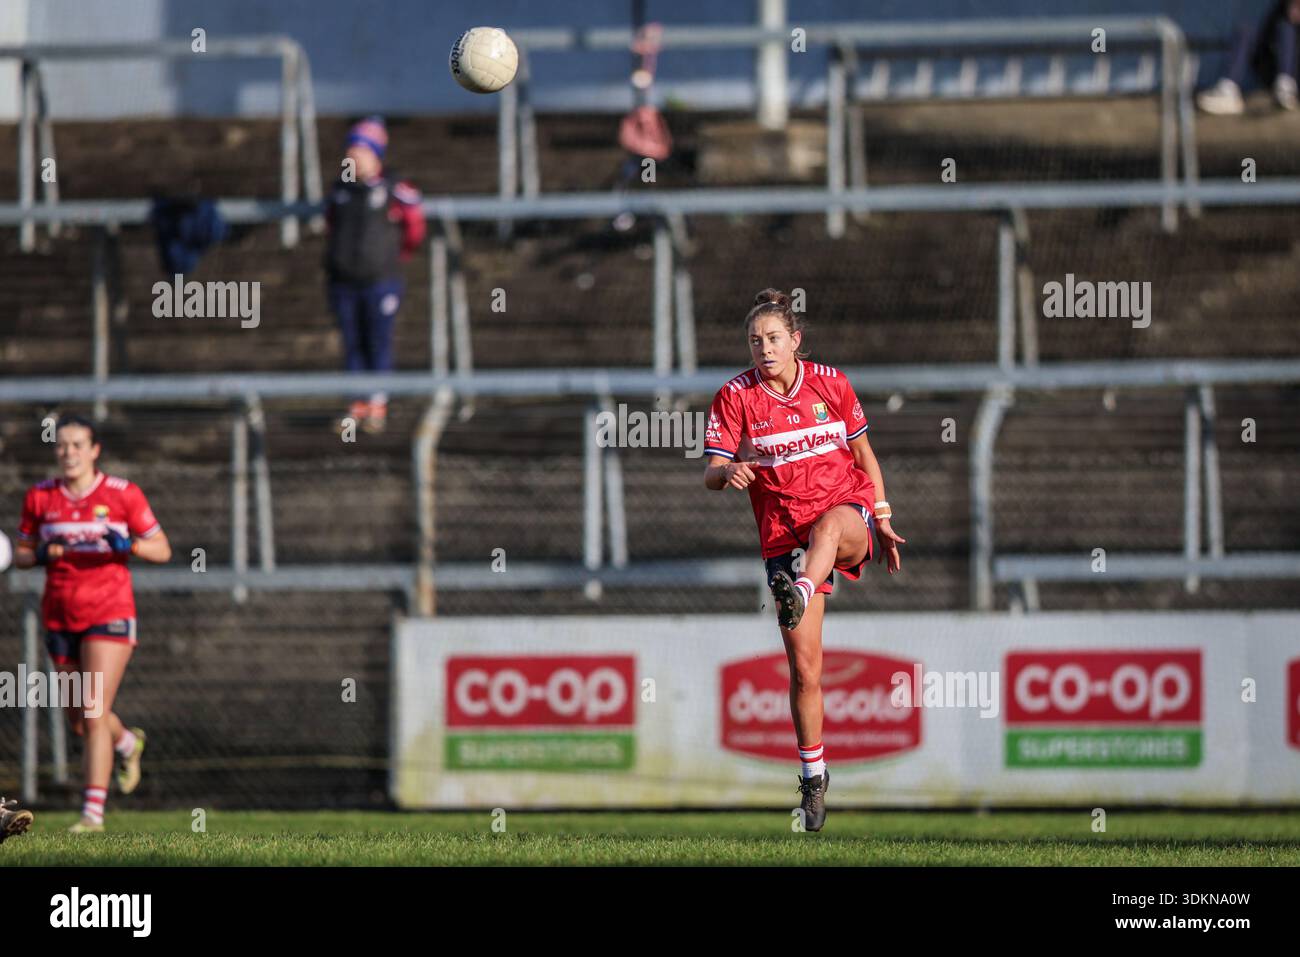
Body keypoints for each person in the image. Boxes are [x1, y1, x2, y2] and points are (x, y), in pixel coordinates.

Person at [702, 289, 906, 832]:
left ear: (796, 341)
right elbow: (711, 472)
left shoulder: (831, 383)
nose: (763, 349)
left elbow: (863, 455)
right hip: (785, 537)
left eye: (773, 339)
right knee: (806, 670)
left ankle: (804, 590)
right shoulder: (735, 396)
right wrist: (731, 473)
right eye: (754, 341)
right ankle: (814, 779)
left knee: (830, 524)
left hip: (847, 516)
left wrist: (881, 516)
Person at [12, 414, 171, 832]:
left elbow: (163, 549)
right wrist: (43, 553)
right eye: (62, 445)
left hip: (109, 612)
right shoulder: (40, 496)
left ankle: (92, 816)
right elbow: (21, 553)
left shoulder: (123, 494)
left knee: (95, 709)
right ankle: (127, 742)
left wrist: (131, 545)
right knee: (82, 721)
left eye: (77, 445)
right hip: (60, 613)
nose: (68, 453)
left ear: (94, 449)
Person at [324, 116, 426, 433]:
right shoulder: (339, 191)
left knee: (378, 340)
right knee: (353, 342)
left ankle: (377, 405)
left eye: (361, 150)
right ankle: (356, 404)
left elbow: (414, 229)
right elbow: (331, 227)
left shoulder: (394, 190)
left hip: (381, 279)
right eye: (350, 150)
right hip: (344, 280)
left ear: (376, 155)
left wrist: (397, 257)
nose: (353, 157)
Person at [1198, 0, 1300, 114]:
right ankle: (1228, 89)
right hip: (1272, 73)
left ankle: (1287, 88)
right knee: (1247, 31)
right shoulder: (1279, 13)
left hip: (1294, 77)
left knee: (1287, 28)